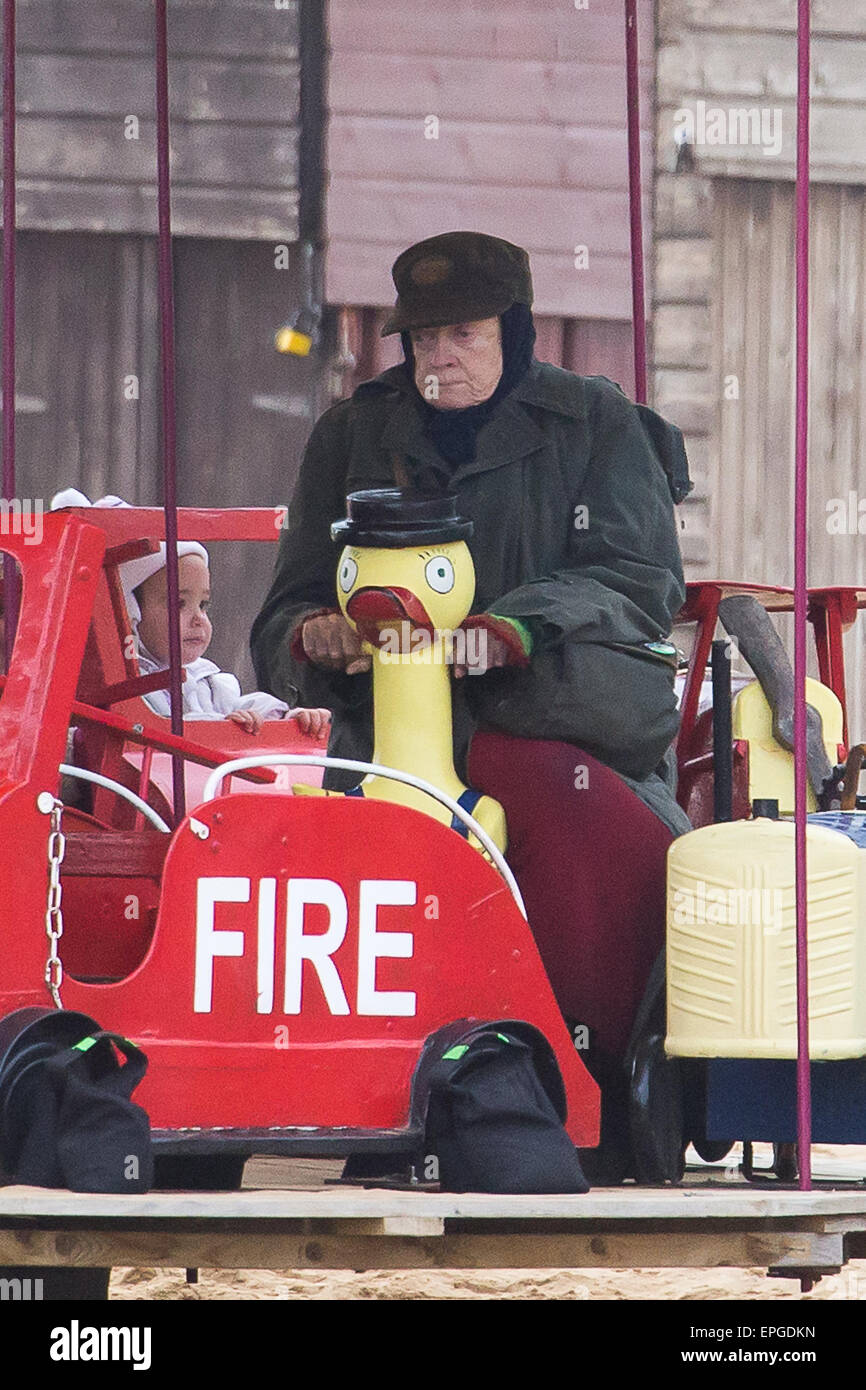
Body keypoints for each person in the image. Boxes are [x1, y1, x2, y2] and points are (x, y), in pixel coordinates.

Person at [251, 231, 693, 1179]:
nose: (435, 359)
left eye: (461, 335)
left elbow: (641, 585)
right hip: (383, 747)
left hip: (555, 723)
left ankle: (592, 1084)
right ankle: (379, 1101)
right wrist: (311, 634)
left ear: (517, 331)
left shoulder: (598, 425)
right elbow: (280, 610)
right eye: (420, 339)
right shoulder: (351, 435)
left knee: (592, 845)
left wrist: (513, 628)